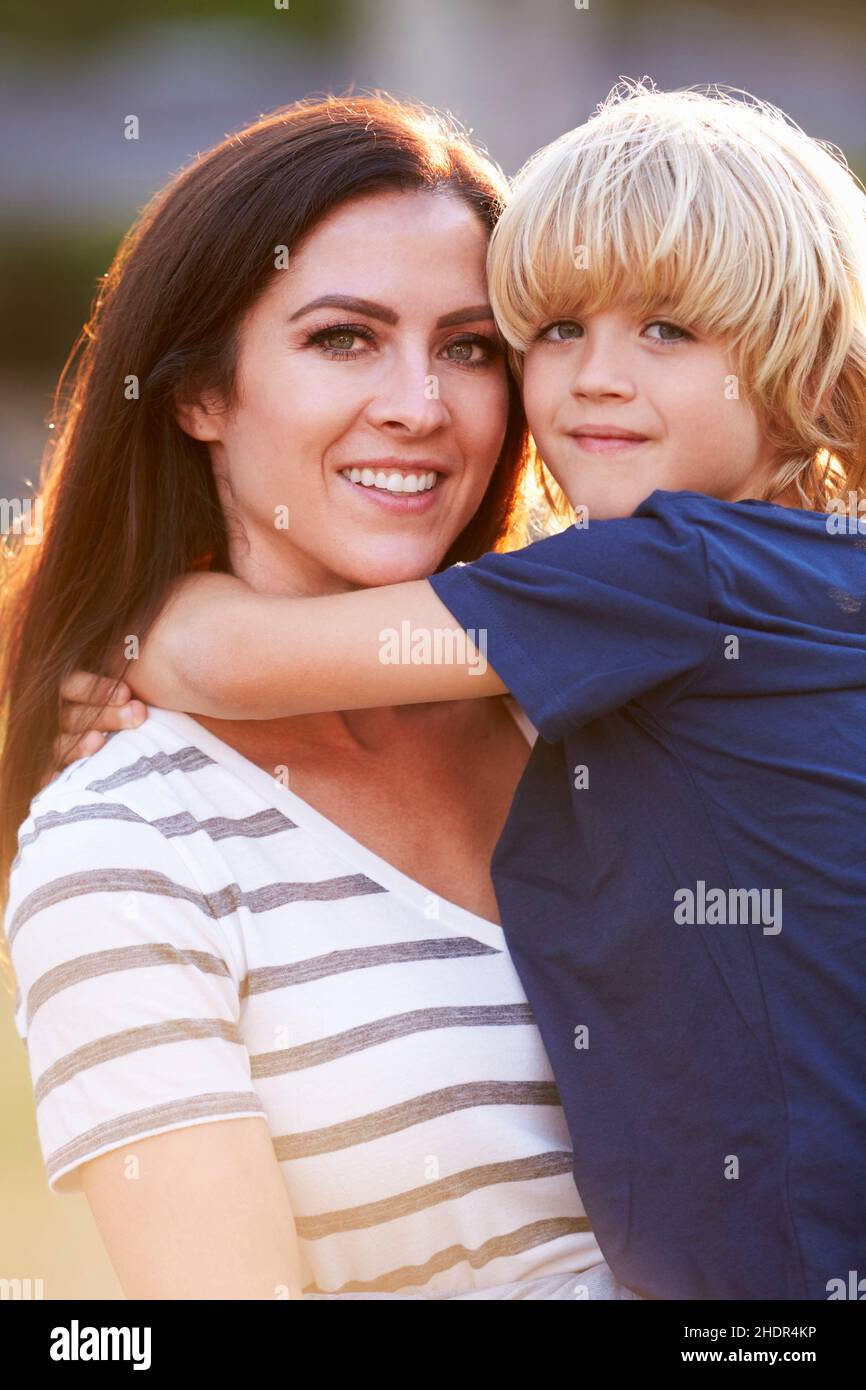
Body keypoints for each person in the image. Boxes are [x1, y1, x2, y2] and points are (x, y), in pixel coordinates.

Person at [105, 81, 866, 1301]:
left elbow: (217, 664)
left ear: (805, 363)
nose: (593, 379)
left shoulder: (669, 572)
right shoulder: (811, 573)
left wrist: (132, 621)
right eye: (553, 330)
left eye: (667, 331)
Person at [0, 93, 645, 1300]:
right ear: (197, 395)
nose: (421, 403)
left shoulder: (605, 709)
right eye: (343, 337)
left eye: (467, 347)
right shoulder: (124, 842)